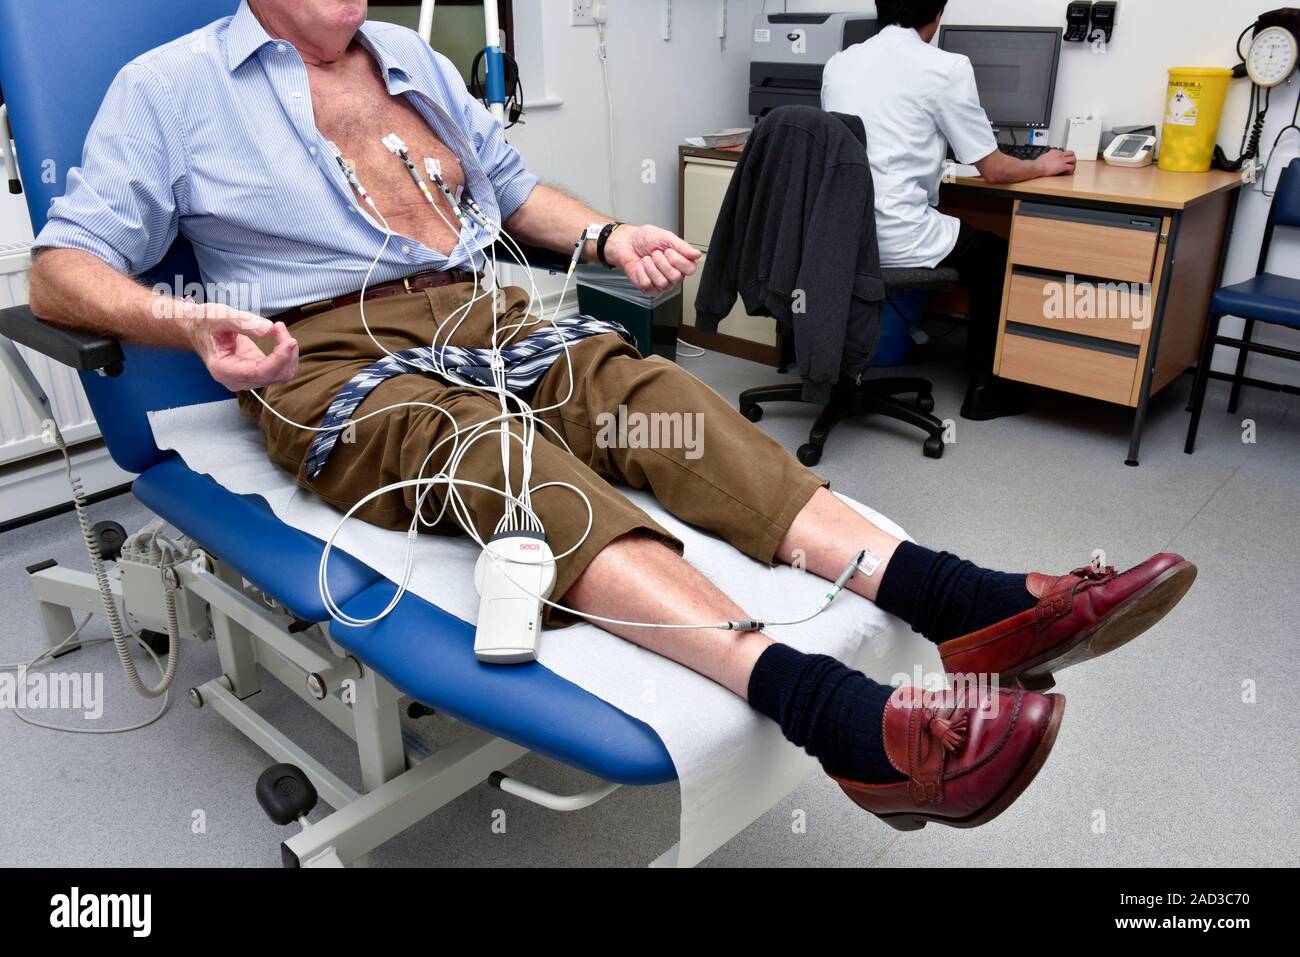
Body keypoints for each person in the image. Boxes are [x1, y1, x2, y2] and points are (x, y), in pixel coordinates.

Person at [28, 0, 1193, 830]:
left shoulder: (414, 65)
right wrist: (188, 326)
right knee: (496, 455)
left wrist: (602, 237)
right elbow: (60, 268)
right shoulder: (172, 89)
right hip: (323, 349)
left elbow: (514, 188)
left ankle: (965, 605)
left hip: (485, 309)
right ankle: (837, 718)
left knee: (659, 396)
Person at [822, 0, 1078, 420]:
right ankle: (987, 389)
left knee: (972, 241)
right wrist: (1042, 164)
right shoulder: (946, 68)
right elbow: (994, 170)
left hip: (842, 236)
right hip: (898, 236)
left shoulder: (839, 64)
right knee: (995, 255)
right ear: (937, 15)